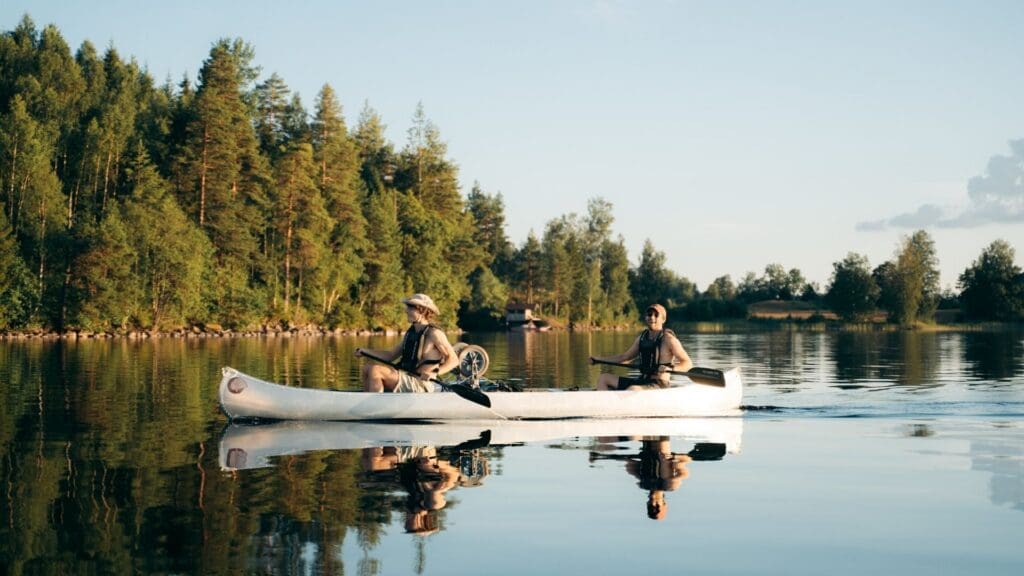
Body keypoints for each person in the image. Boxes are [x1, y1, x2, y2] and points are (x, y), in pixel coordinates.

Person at [355, 294, 459, 392]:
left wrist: (435, 373)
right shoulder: (411, 332)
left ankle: (373, 405)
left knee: (376, 370)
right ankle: (369, 398)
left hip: (421, 385)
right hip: (409, 380)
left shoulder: (434, 333)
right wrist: (365, 351)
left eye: (410, 307)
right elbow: (390, 355)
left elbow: (454, 360)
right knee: (367, 368)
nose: (406, 310)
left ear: (422, 311)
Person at [589, 303, 693, 390]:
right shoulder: (641, 338)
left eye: (656, 315)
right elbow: (624, 358)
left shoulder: (669, 340)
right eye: (649, 314)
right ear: (646, 317)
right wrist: (598, 359)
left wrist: (671, 368)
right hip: (642, 380)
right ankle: (606, 409)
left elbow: (687, 363)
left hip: (659, 384)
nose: (652, 317)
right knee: (604, 378)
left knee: (633, 389)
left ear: (663, 319)